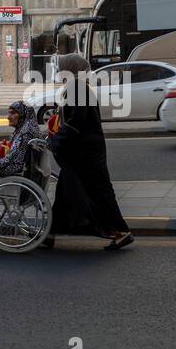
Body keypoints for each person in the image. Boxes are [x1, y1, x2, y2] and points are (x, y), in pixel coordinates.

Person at [47, 53, 133, 250]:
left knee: (98, 191)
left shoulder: (77, 88)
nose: (59, 72)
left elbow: (74, 126)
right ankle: (49, 234)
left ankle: (120, 231)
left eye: (62, 68)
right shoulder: (76, 88)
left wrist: (54, 140)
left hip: (86, 154)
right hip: (84, 152)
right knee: (66, 190)